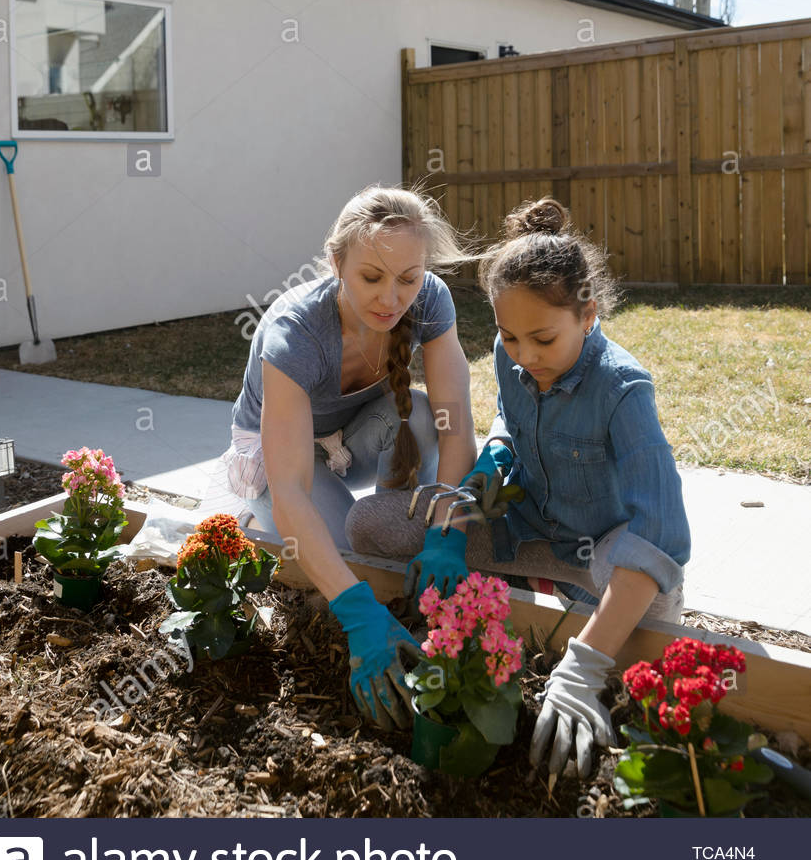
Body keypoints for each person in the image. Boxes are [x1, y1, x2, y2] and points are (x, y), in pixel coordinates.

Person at [346, 196, 691, 783]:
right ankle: (527, 583)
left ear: (588, 314)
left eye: (543, 339)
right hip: (527, 530)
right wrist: (480, 482)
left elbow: (659, 534)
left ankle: (576, 614)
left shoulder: (624, 390)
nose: (526, 357)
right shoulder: (517, 360)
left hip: (597, 550)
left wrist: (584, 665)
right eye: (509, 339)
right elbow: (509, 422)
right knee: (370, 525)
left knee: (654, 598)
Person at [218, 184, 479, 730]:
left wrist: (446, 531)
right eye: (371, 278)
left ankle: (404, 554)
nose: (391, 298)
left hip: (354, 437)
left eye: (408, 278)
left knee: (428, 418)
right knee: (339, 567)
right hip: (284, 458)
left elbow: (458, 431)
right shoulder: (295, 334)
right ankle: (267, 527)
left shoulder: (430, 300)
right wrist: (357, 610)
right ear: (337, 263)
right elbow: (290, 486)